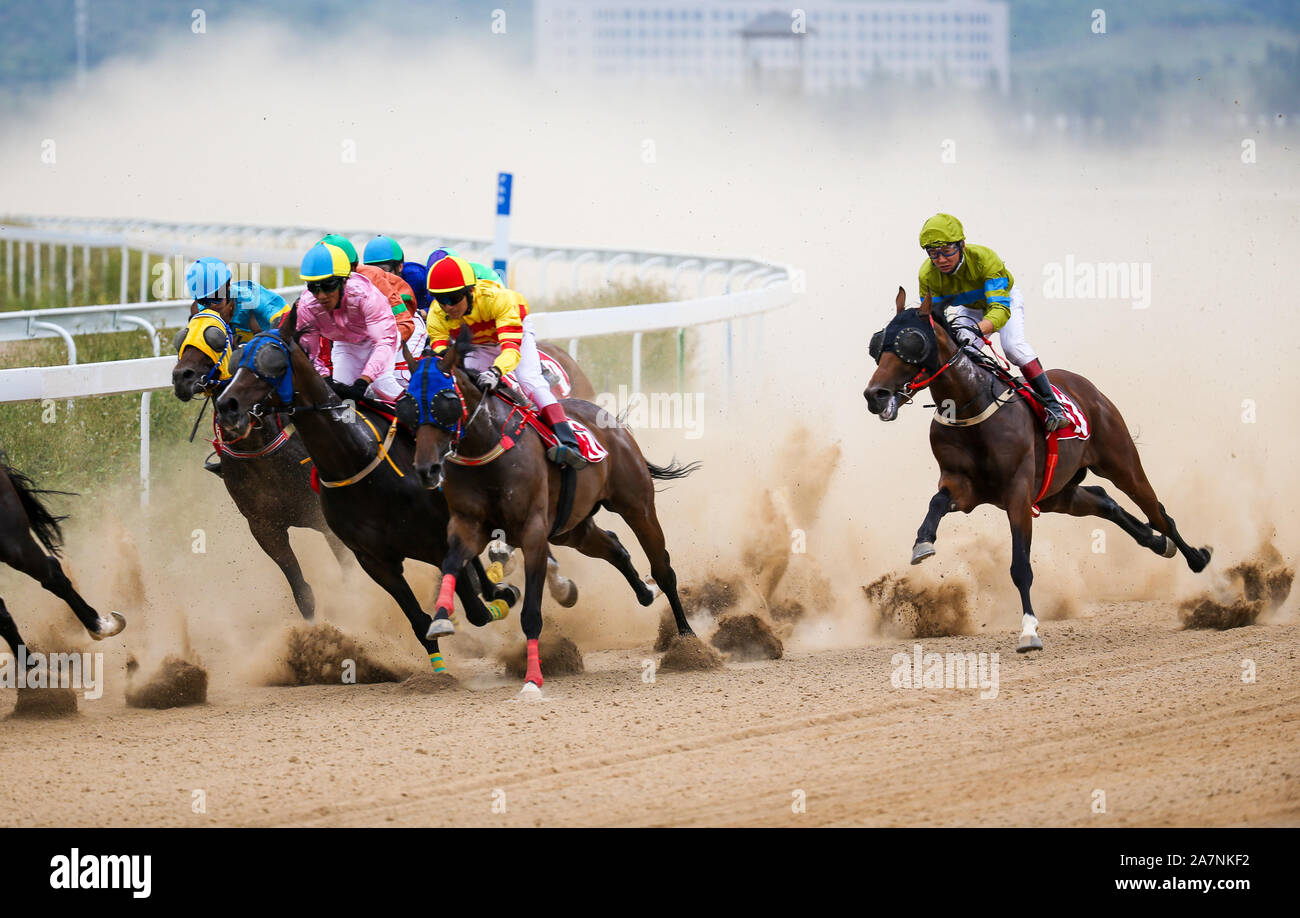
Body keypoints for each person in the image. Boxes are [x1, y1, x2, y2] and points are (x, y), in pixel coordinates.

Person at [425, 255, 587, 468]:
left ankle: (568, 441)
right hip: (479, 342)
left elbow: (510, 349)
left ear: (469, 292)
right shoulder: (437, 314)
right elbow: (441, 350)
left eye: (453, 298)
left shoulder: (498, 300)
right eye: (440, 299)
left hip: (512, 333)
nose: (448, 307)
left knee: (529, 379)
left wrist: (495, 372)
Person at [917, 213, 1068, 431]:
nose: (940, 259)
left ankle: (1054, 406)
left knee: (1013, 347)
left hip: (1004, 301)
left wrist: (977, 329)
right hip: (969, 308)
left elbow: (999, 310)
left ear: (962, 245)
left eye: (947, 251)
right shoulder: (927, 275)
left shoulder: (985, 258)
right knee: (960, 352)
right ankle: (962, 407)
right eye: (933, 253)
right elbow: (934, 320)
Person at [296, 243, 403, 403]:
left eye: (328, 286)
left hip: (382, 340)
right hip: (346, 344)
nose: (321, 295)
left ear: (344, 281)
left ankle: (417, 415)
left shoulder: (365, 295)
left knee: (381, 385)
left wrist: (364, 381)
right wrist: (326, 379)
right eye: (314, 287)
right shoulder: (307, 305)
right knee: (339, 396)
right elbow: (308, 352)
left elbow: (384, 342)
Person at [362, 235, 428, 386]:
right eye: (373, 270)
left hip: (417, 322)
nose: (378, 276)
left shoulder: (416, 278)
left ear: (400, 267)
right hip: (389, 324)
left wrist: (425, 312)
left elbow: (440, 304)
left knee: (397, 376)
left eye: (384, 270)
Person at [184, 256, 288, 341]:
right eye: (204, 301)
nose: (212, 305)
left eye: (216, 297)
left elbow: (288, 325)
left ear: (228, 286)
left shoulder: (255, 299)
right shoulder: (197, 310)